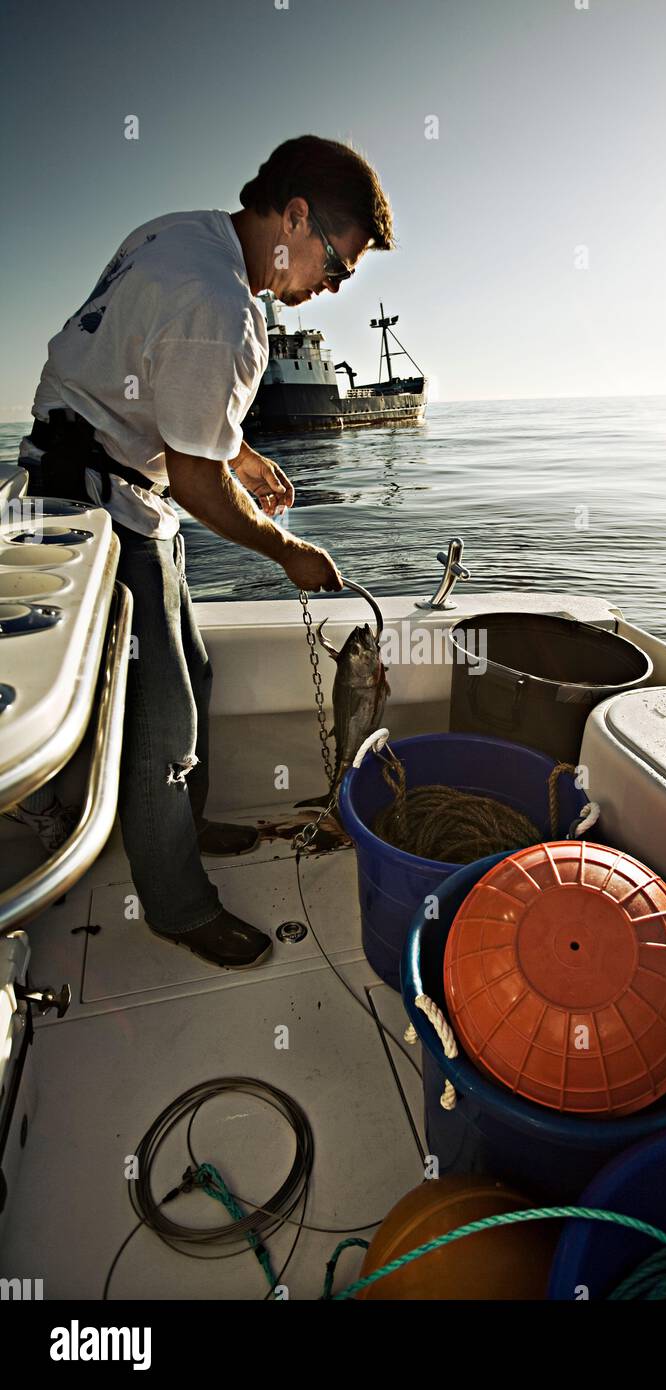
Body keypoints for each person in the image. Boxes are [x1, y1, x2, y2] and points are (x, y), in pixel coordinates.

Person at [18, 135, 395, 969]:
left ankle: (185, 827)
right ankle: (176, 906)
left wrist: (245, 459)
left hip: (96, 477)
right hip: (102, 501)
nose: (328, 289)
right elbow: (193, 479)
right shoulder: (222, 304)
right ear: (294, 217)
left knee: (195, 664)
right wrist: (286, 549)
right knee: (163, 721)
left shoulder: (179, 232)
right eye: (335, 267)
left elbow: (171, 401)